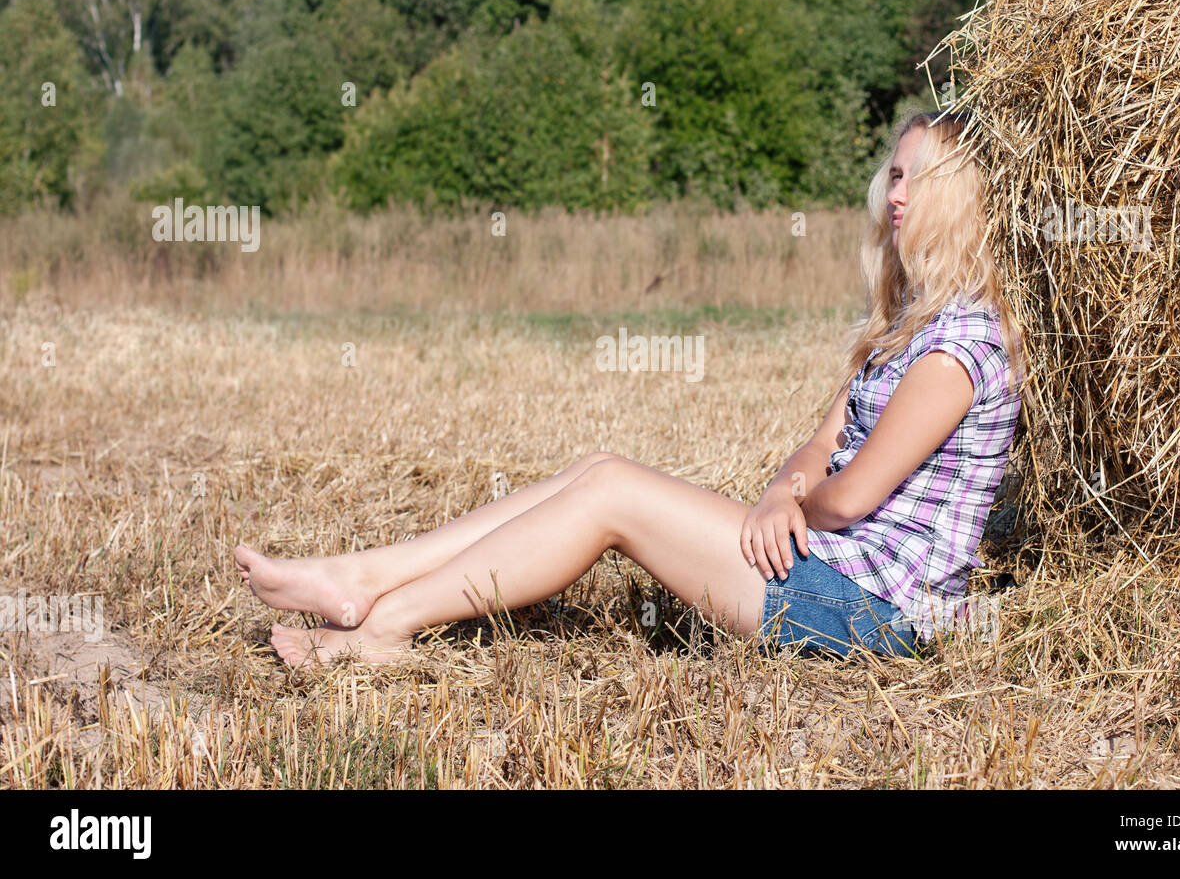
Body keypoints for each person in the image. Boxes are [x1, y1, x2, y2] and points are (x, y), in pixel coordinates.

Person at [234, 109, 1024, 667]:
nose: (895, 194)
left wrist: (792, 505)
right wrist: (788, 484)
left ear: (957, 201)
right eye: (893, 173)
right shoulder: (904, 327)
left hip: (873, 611)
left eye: (918, 181)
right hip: (831, 564)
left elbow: (851, 497)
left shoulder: (957, 349)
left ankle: (386, 627)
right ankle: (362, 579)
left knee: (610, 492)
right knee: (596, 465)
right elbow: (824, 446)